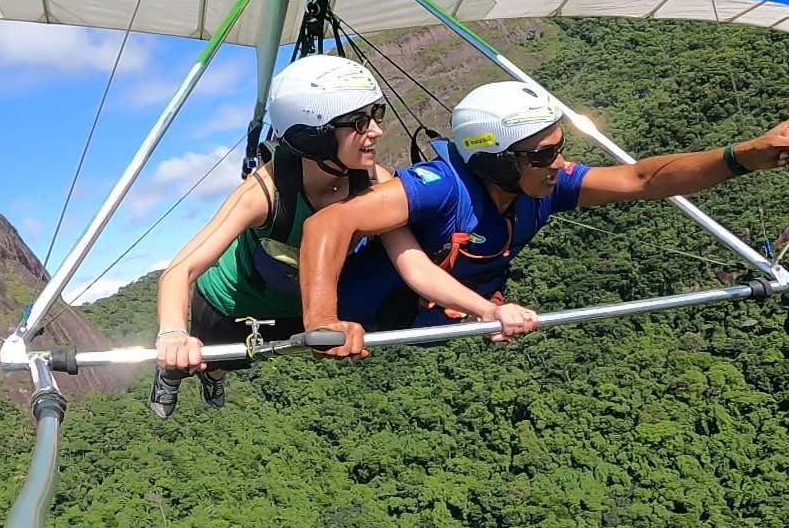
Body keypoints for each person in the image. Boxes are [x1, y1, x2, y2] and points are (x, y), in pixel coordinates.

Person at [300, 80, 789, 356]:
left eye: (559, 148)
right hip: (350, 318)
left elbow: (642, 180)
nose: (558, 164)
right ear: (494, 162)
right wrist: (322, 321)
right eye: (541, 155)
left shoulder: (547, 187)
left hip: (429, 324)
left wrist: (746, 156)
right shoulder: (441, 189)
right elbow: (327, 224)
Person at [150, 56, 538, 417]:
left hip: (300, 304)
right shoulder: (264, 192)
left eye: (375, 115)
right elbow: (180, 270)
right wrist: (172, 333)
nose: (376, 131)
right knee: (208, 359)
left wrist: (486, 310)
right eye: (358, 122)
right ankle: (176, 379)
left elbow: (413, 264)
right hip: (229, 301)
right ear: (314, 135)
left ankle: (217, 377)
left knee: (244, 361)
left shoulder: (373, 182)